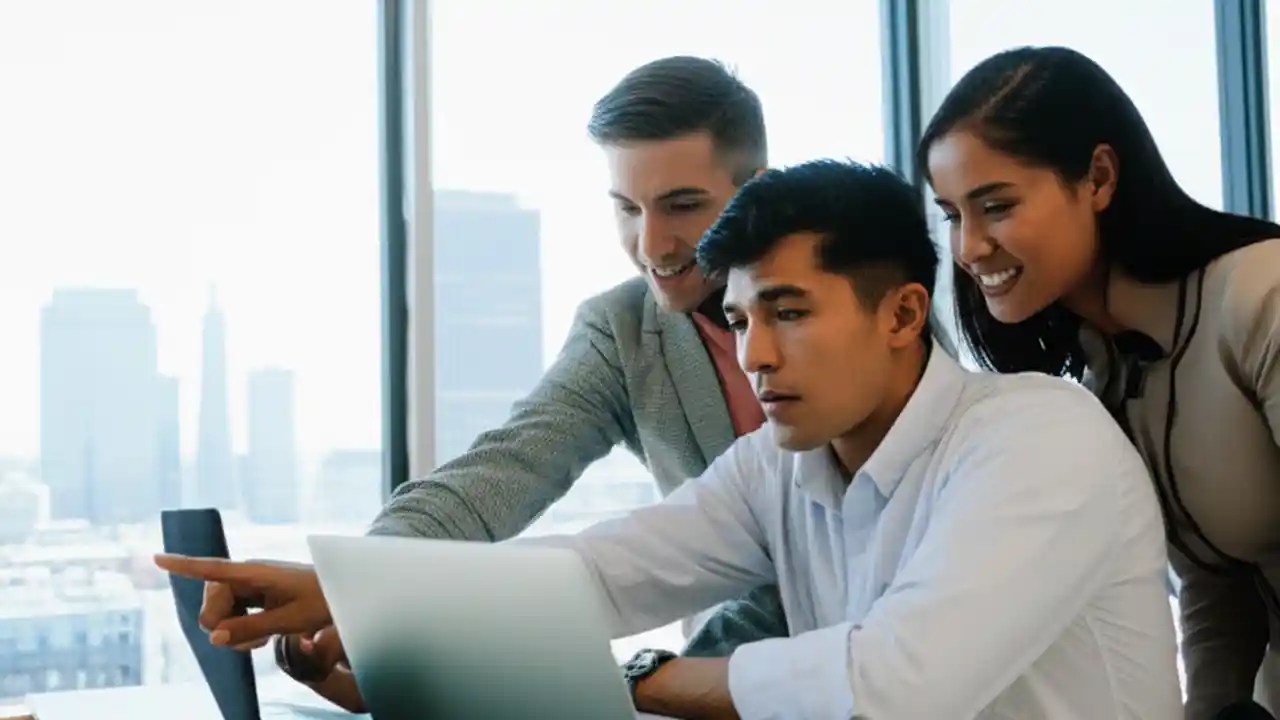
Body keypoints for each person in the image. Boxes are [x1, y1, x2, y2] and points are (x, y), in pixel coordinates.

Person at [158, 160, 1182, 719]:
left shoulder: (1034, 437)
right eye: (739, 323)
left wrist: (631, 684)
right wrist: (353, 595)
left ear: (903, 315)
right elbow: (592, 575)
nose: (755, 356)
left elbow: (894, 687)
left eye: (788, 312)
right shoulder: (780, 468)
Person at [213, 56, 790, 711]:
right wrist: (356, 598)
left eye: (682, 206)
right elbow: (504, 469)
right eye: (627, 208)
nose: (651, 243)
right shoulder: (625, 330)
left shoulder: (849, 303)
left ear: (756, 193)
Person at [920, 45, 1280, 720]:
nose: (968, 248)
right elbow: (1214, 579)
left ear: (1099, 178)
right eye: (952, 215)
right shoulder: (1102, 376)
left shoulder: (1261, 298)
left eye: (995, 205)